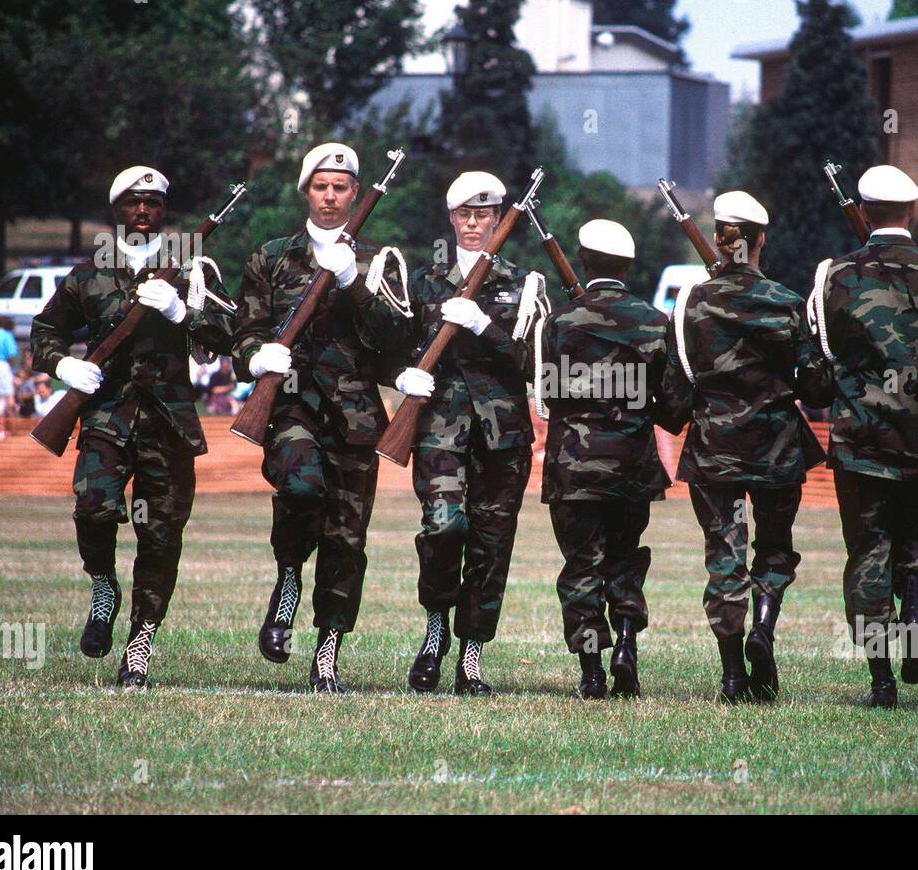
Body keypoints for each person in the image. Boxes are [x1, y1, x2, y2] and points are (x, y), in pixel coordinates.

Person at [31, 165, 237, 689]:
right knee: (93, 508)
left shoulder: (193, 268)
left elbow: (227, 333)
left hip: (169, 421)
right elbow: (45, 330)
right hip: (106, 416)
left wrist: (179, 313)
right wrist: (63, 367)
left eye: (152, 202)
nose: (142, 210)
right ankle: (103, 586)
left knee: (161, 534)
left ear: (164, 211)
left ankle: (140, 641)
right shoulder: (88, 272)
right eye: (131, 202)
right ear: (116, 209)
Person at [801, 164, 918, 709]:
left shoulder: (835, 277)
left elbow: (813, 367)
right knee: (910, 535)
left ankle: (882, 678)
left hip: (861, 441)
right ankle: (913, 598)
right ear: (911, 212)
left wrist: (840, 392)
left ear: (862, 211)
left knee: (868, 547)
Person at [232, 142, 409, 694]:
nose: (330, 196)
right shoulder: (272, 256)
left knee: (346, 539)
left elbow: (396, 339)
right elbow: (243, 332)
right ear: (305, 191)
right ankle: (288, 579)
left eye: (341, 187)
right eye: (320, 186)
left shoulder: (381, 261)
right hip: (290, 406)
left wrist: (355, 282)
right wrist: (255, 357)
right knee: (301, 487)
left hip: (355, 416)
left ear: (356, 194)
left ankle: (327, 652)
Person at [658, 191, 826, 703]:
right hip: (776, 448)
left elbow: (674, 394)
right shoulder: (787, 302)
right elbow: (817, 387)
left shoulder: (690, 302)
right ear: (760, 241)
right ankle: (764, 629)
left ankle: (732, 675)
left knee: (724, 558)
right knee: (774, 548)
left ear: (717, 239)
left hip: (715, 449)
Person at [395, 171, 541, 697]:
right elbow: (394, 346)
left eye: (486, 214)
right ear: (451, 219)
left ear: (500, 218)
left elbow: (536, 363)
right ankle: (436, 629)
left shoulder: (525, 285)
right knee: (443, 527)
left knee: (490, 542)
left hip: (502, 437)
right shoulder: (423, 281)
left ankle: (471, 654)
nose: (475, 223)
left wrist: (485, 327)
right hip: (438, 430)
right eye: (466, 214)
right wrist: (402, 374)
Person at [538, 219, 671, 699]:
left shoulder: (559, 320)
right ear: (629, 266)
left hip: (573, 468)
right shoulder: (656, 321)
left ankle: (592, 671)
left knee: (581, 566)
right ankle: (627, 645)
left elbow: (549, 395)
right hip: (632, 468)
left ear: (584, 262)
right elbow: (674, 402)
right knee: (623, 561)